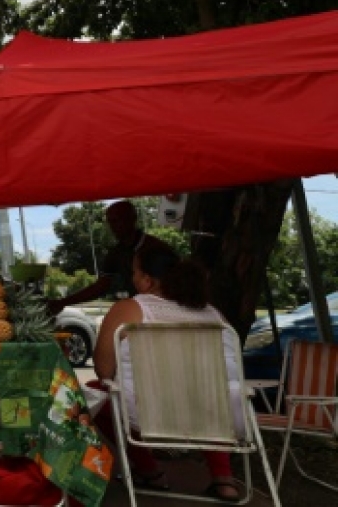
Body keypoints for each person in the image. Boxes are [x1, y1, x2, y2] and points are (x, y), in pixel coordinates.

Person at [90, 241, 243, 502]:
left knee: (95, 392)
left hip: (150, 416)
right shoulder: (213, 314)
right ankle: (224, 479)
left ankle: (149, 471)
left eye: (135, 273)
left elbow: (104, 370)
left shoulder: (130, 308)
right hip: (221, 416)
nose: (133, 278)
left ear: (147, 281)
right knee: (207, 396)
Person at [47, 200, 165, 316]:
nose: (113, 226)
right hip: (135, 311)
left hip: (160, 311)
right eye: (110, 222)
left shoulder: (154, 247)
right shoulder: (115, 253)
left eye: (117, 220)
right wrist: (63, 302)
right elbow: (102, 286)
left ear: (133, 218)